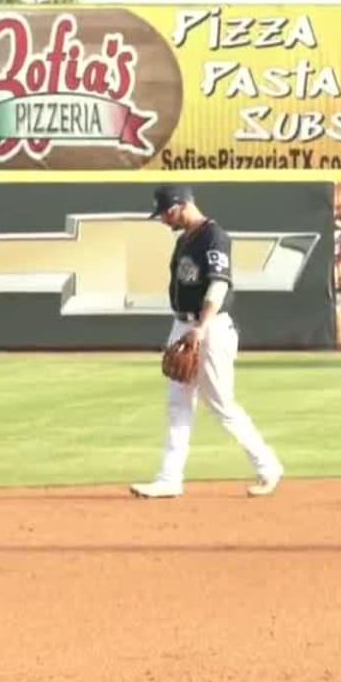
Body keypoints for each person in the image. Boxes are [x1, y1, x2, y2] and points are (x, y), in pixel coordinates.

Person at [129, 185, 285, 499]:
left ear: (182, 205)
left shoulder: (213, 237)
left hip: (209, 327)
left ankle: (267, 465)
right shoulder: (184, 238)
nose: (162, 219)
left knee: (220, 404)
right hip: (184, 324)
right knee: (178, 404)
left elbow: (218, 284)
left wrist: (201, 326)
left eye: (165, 213)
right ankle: (169, 478)